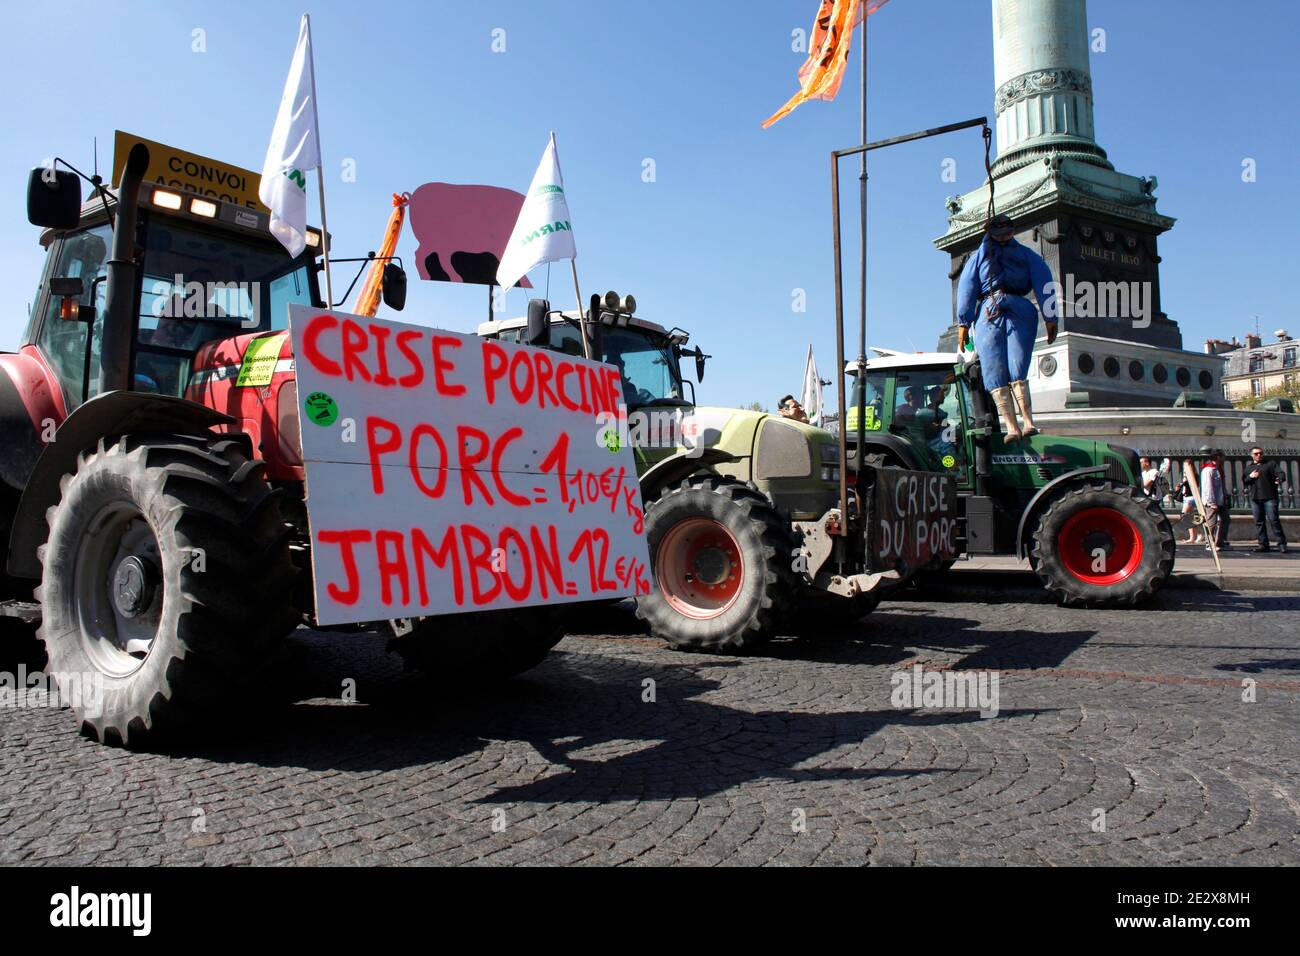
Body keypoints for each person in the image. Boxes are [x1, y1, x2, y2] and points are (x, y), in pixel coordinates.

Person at [955, 213, 1057, 442]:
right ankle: (1011, 426)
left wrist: (1051, 317)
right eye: (998, 231)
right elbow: (967, 287)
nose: (1003, 236)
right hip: (989, 312)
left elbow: (1044, 280)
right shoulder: (979, 256)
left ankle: (1028, 422)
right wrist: (964, 321)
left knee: (1018, 365)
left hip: (1018, 308)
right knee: (993, 367)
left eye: (1006, 230)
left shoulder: (1025, 254)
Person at [1243, 445, 1288, 553]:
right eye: (1256, 454)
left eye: (1260, 453)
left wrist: (1279, 479)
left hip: (1270, 497)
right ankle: (1263, 544)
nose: (1259, 455)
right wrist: (1251, 476)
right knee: (1259, 522)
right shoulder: (1249, 468)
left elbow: (1281, 473)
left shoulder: (1270, 464)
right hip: (1255, 498)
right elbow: (1244, 481)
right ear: (1252, 455)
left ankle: (1281, 543)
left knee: (1274, 520)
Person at [1200, 448, 1232, 552]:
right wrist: (1211, 502)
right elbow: (1207, 487)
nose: (1224, 458)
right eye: (1222, 456)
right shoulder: (1208, 470)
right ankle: (1209, 543)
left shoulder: (1219, 469)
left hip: (1221, 500)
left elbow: (1221, 485)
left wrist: (1226, 495)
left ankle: (1220, 542)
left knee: (1225, 520)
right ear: (1218, 457)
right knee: (1211, 523)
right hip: (1212, 502)